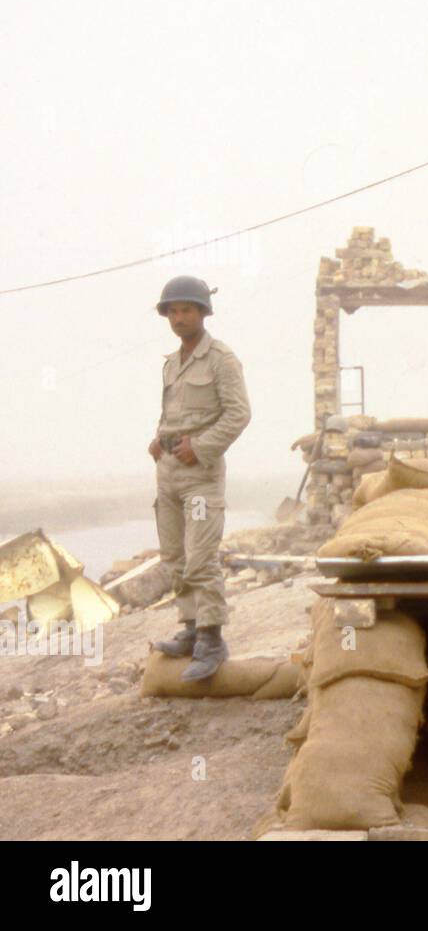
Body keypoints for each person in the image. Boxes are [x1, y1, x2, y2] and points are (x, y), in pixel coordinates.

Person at [149, 276, 251, 681]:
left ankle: (211, 639)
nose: (178, 318)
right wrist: (159, 439)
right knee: (174, 555)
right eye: (172, 311)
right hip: (169, 472)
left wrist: (202, 447)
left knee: (200, 556)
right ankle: (191, 629)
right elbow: (175, 413)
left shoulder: (221, 359)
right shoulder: (171, 363)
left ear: (203, 312)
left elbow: (238, 414)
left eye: (186, 309)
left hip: (200, 474)